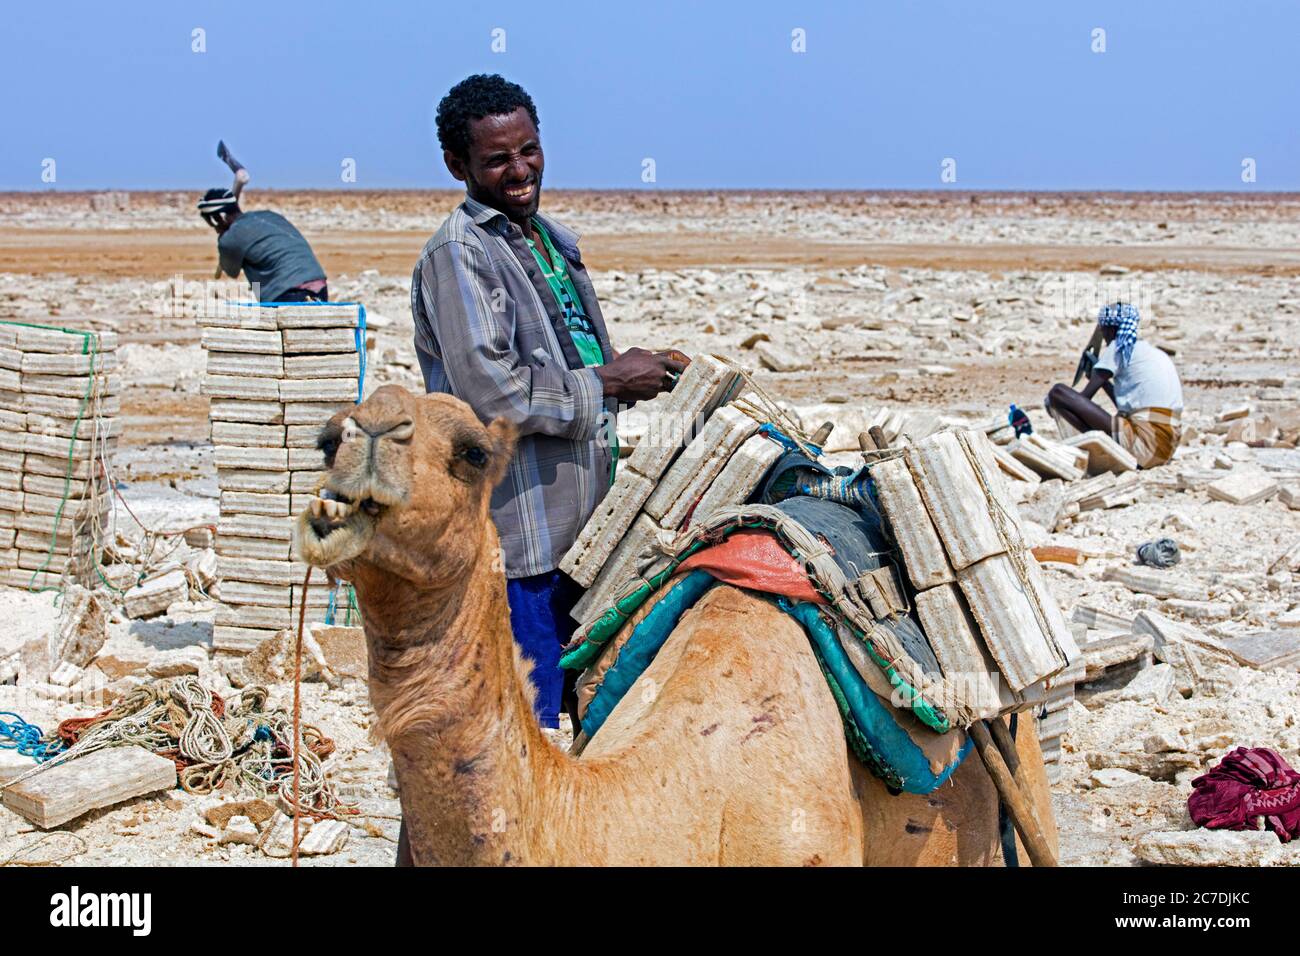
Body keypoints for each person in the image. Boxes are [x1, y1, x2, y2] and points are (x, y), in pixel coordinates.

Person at [410, 73, 686, 732]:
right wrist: (613, 382)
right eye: (497, 159)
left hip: (584, 532)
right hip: (521, 538)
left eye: (528, 150)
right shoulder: (460, 253)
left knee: (593, 717)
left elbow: (566, 361)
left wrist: (637, 367)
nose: (520, 170)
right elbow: (493, 392)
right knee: (527, 734)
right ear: (458, 165)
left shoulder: (548, 239)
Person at [1044, 303, 1183, 468]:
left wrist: (1052, 403)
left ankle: (1097, 452)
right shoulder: (1153, 352)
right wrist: (1099, 379)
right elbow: (1127, 408)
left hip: (1144, 443)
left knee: (1058, 393)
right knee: (1107, 415)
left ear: (1109, 330)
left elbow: (1083, 398)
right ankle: (1111, 451)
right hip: (1163, 448)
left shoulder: (1119, 346)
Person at [198, 182, 329, 303]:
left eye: (210, 222)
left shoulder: (230, 238)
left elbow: (231, 271)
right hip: (320, 287)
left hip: (288, 292)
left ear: (218, 218)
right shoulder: (268, 215)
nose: (213, 228)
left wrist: (223, 242)